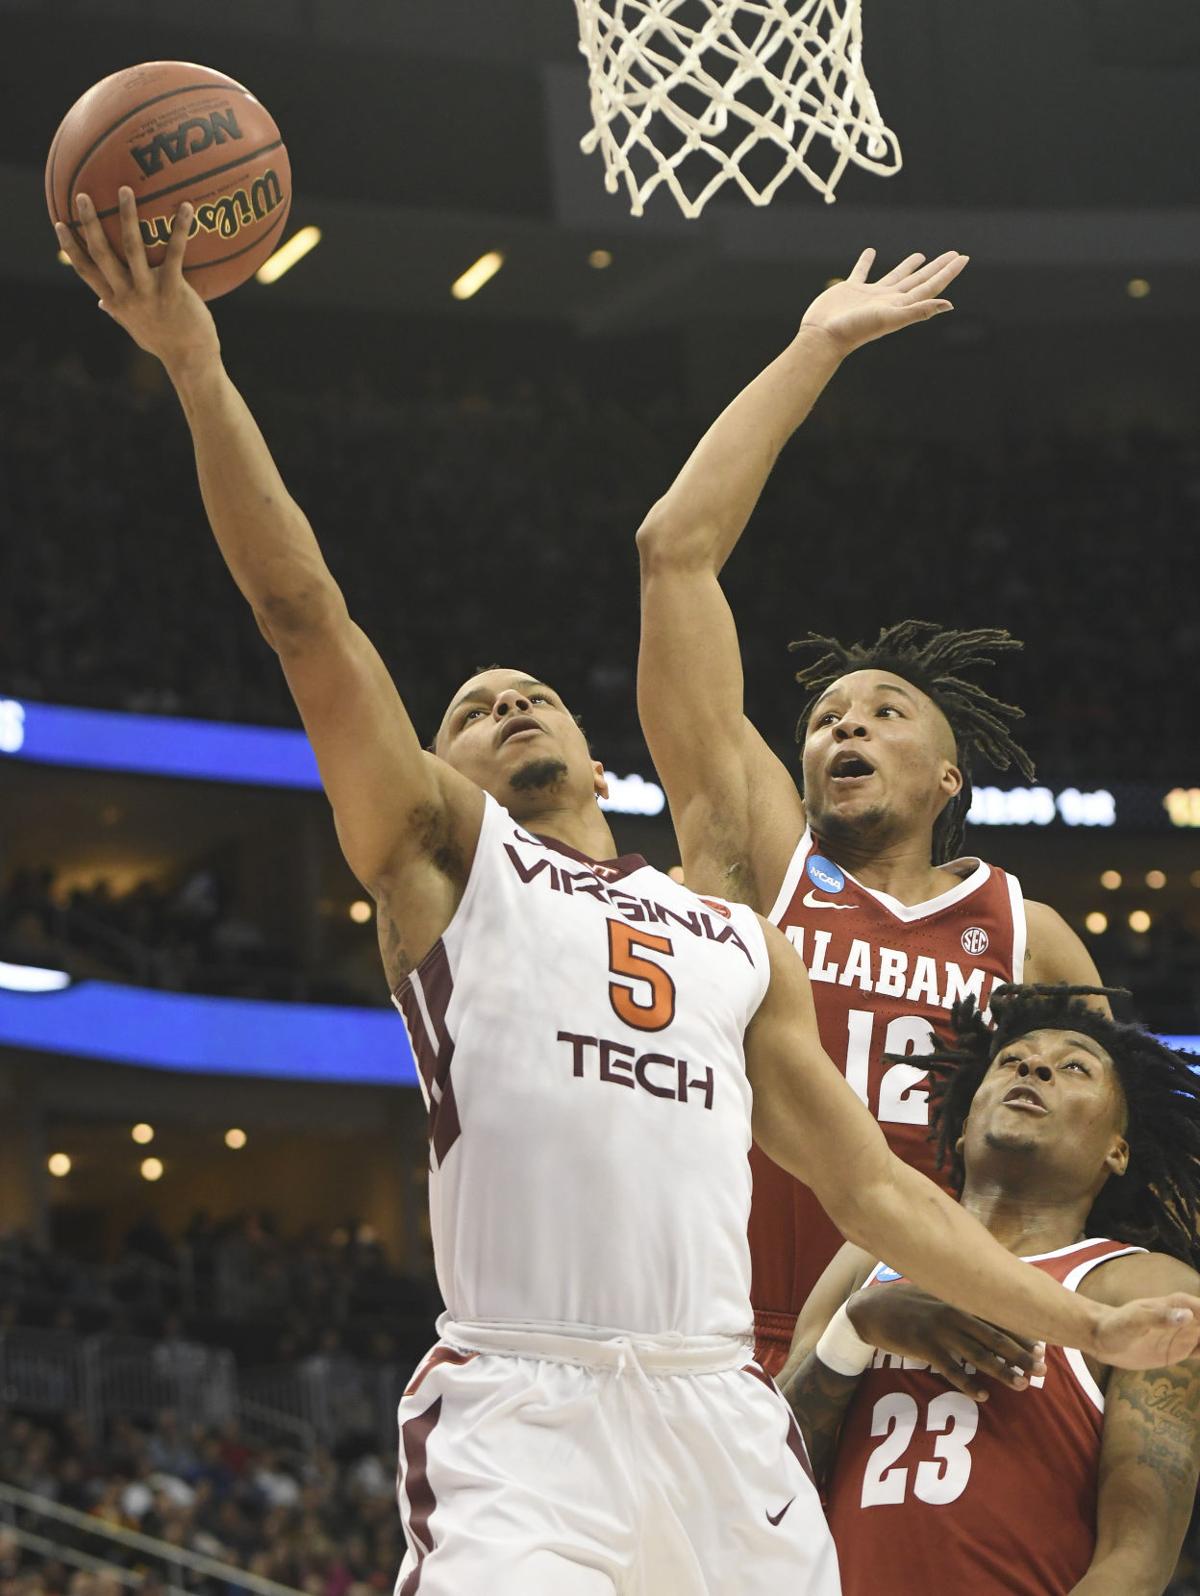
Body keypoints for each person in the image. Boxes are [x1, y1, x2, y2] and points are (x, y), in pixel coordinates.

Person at [57, 199, 1200, 1596]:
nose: (509, 698)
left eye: (531, 690)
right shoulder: (443, 861)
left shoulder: (731, 922)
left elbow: (872, 1189)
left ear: (600, 755)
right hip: (534, 1397)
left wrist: (1070, 1322)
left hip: (729, 1402)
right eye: (471, 707)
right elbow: (308, 613)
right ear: (432, 767)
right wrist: (193, 363)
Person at [636, 248, 1105, 1375]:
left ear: (949, 781)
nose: (843, 726)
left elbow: (1101, 1153)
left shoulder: (1023, 931)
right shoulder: (766, 855)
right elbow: (673, 556)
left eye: (886, 711)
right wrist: (817, 347)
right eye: (827, 717)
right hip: (711, 1325)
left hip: (924, 1341)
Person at [779, 984, 1200, 1596]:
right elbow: (765, 1477)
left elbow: (1135, 1561)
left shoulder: (1142, 1286)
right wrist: (858, 1327)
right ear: (962, 1123)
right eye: (1011, 1059)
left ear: (1118, 1150)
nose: (1033, 1066)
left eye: (1074, 1066)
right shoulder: (868, 1259)